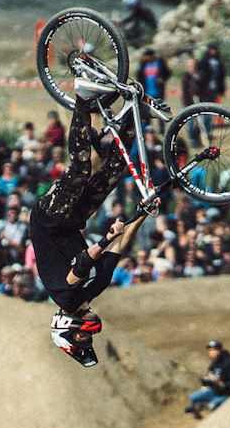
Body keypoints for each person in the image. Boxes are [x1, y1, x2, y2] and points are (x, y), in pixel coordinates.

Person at [27, 83, 152, 367]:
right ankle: (134, 112)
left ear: (67, 329)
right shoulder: (98, 287)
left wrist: (106, 238)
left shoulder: (65, 297)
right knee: (113, 171)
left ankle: (82, 98)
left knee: (82, 169)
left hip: (48, 218)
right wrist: (142, 212)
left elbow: (82, 264)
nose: (89, 334)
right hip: (73, 221)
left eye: (82, 338)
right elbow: (121, 245)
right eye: (89, 339)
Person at [186, 340, 230, 418]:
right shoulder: (214, 364)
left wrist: (222, 384)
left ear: (220, 350)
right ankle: (200, 409)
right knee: (193, 397)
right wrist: (208, 380)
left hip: (227, 393)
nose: (212, 353)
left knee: (213, 405)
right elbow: (207, 382)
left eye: (214, 350)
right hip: (214, 391)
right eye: (210, 350)